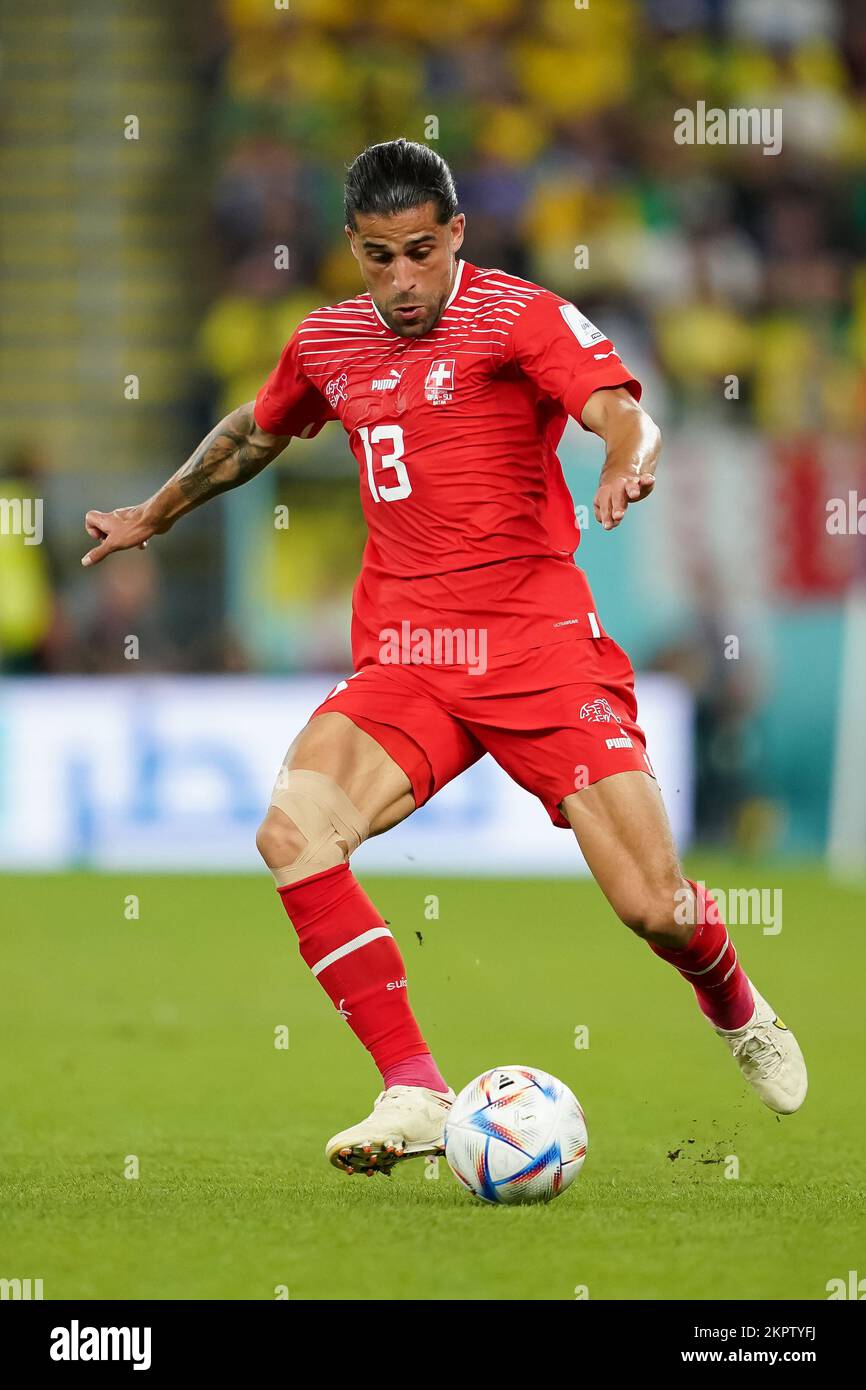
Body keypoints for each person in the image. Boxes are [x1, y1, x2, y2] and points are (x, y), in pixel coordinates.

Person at [82, 139, 806, 1178]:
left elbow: (625, 414)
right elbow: (254, 432)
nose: (404, 279)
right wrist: (153, 513)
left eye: (421, 251)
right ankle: (414, 1088)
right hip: (410, 657)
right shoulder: (327, 341)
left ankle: (733, 1002)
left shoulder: (517, 316)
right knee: (293, 831)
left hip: (537, 647)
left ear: (456, 233)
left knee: (655, 906)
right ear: (354, 248)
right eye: (379, 257)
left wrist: (624, 463)